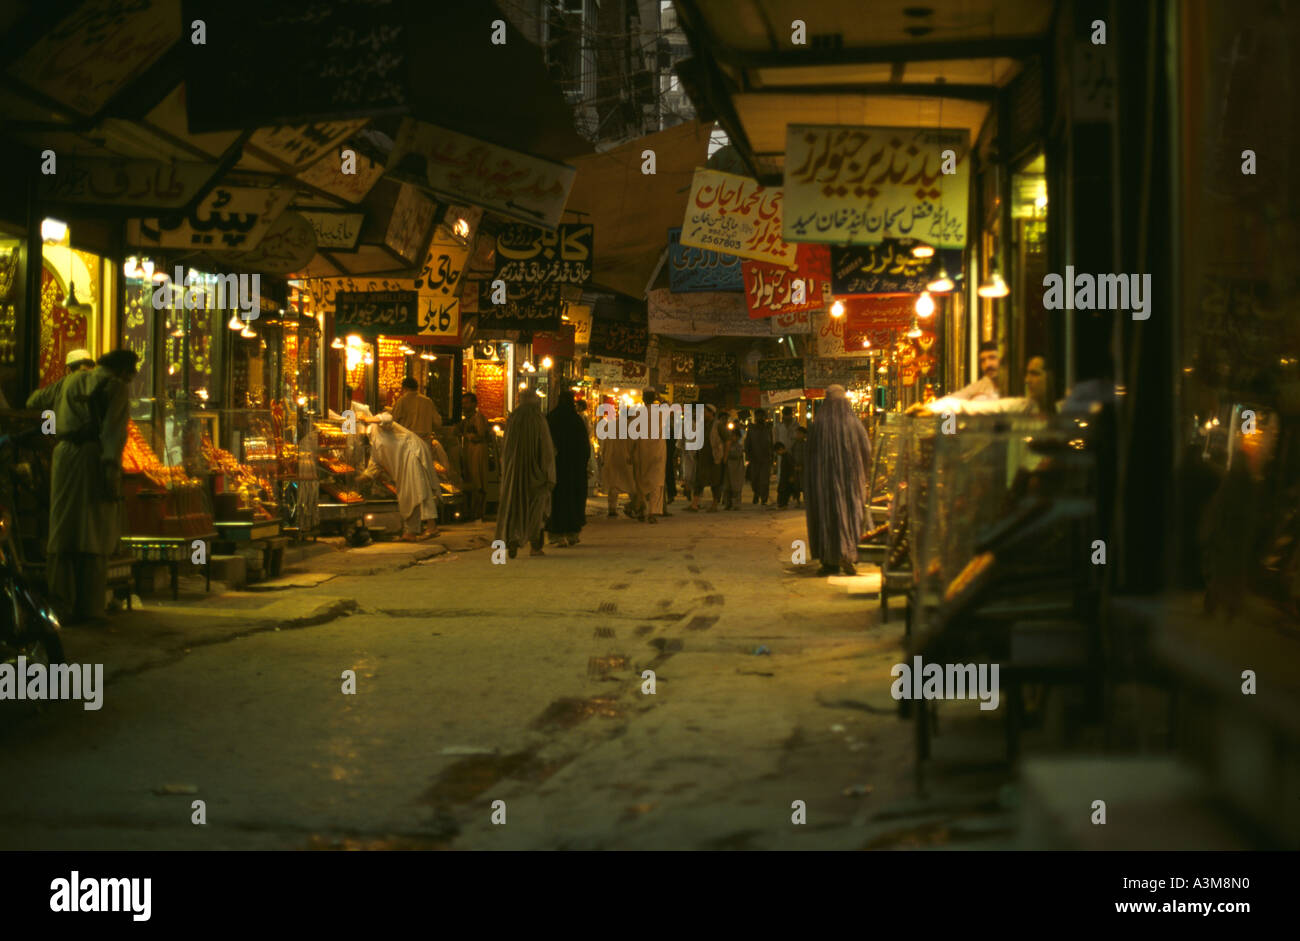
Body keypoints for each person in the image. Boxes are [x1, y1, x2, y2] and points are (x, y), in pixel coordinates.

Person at [25, 349, 137, 624]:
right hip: (93, 458)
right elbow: (113, 431)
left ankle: (60, 603)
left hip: (63, 455)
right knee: (93, 531)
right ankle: (89, 608)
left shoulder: (70, 381)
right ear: (124, 370)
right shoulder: (116, 387)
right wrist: (111, 469)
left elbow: (32, 402)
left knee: (63, 527)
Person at [805, 385, 872, 576]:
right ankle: (849, 554)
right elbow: (867, 450)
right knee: (850, 514)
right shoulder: (854, 423)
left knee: (828, 515)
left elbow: (809, 454)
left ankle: (829, 560)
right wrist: (864, 474)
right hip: (851, 482)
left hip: (824, 483)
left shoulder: (819, 424)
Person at [357, 408, 440, 541]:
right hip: (403, 464)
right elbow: (374, 467)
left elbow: (387, 418)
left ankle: (431, 527)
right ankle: (411, 532)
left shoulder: (378, 426)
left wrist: (366, 418)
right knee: (407, 495)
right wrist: (357, 481)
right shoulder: (373, 445)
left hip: (411, 453)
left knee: (419, 490)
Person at [495, 390, 555, 557]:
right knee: (536, 511)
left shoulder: (513, 419)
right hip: (536, 475)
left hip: (514, 474)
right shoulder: (538, 419)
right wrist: (550, 474)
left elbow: (505, 449)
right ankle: (535, 547)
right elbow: (546, 450)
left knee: (514, 508)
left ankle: (513, 540)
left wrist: (506, 471)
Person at [545, 389, 591, 547]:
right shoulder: (576, 420)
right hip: (573, 469)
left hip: (556, 467)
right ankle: (572, 532)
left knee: (556, 501)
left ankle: (555, 533)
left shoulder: (551, 418)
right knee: (573, 499)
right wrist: (584, 464)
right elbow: (585, 446)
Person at [632, 388, 667, 523]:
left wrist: (631, 452)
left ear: (642, 399)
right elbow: (669, 406)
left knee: (641, 481)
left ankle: (641, 509)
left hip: (642, 451)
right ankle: (652, 512)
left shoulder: (638, 413)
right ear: (654, 398)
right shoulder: (660, 411)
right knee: (657, 482)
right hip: (658, 451)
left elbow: (633, 435)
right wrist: (660, 398)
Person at [457, 392, 489, 520]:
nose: (464, 406)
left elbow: (481, 435)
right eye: (463, 403)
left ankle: (478, 512)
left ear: (474, 404)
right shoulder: (467, 420)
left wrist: (469, 436)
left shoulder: (478, 418)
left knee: (478, 482)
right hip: (469, 452)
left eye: (466, 403)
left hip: (478, 452)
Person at [688, 404, 723, 512]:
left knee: (715, 482)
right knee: (699, 481)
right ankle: (694, 504)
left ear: (711, 413)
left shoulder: (718, 425)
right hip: (702, 458)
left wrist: (724, 457)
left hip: (714, 458)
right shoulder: (701, 425)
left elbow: (727, 440)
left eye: (704, 412)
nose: (702, 414)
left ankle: (714, 504)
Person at [744, 407, 773, 505]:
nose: (760, 417)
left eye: (762, 416)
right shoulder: (751, 429)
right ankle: (756, 494)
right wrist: (748, 455)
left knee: (764, 481)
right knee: (755, 480)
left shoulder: (768, 428)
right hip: (754, 458)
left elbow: (772, 442)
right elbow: (747, 443)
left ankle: (764, 499)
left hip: (766, 459)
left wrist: (772, 456)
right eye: (758, 416)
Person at [722, 424, 746, 509]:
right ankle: (727, 504)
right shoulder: (726, 445)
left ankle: (736, 504)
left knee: (736, 487)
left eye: (735, 436)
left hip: (737, 469)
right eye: (732, 436)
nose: (733, 438)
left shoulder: (739, 446)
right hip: (728, 468)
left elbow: (737, 455)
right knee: (727, 487)